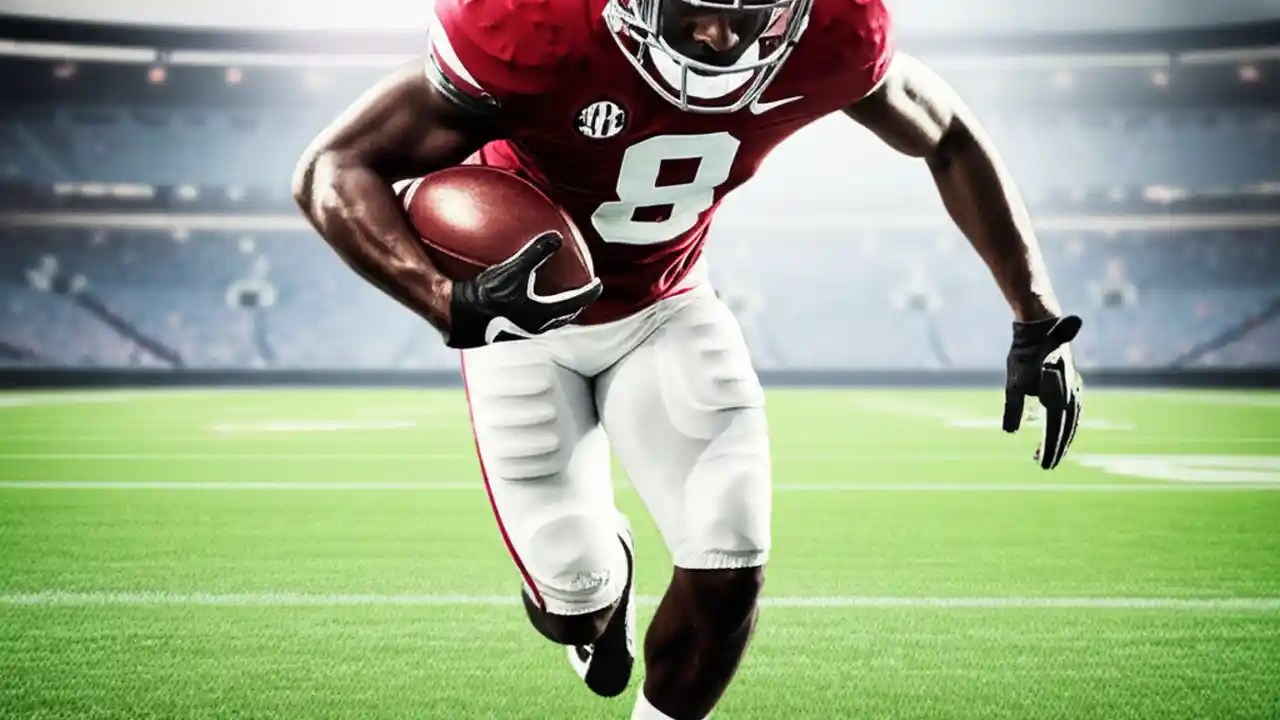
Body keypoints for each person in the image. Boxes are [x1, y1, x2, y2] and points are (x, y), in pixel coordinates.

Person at [292, 0, 1084, 716]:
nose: (718, 36)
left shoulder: (832, 32)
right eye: (696, 12)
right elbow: (334, 166)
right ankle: (601, 590)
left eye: (747, 17)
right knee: (575, 601)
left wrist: (1035, 316)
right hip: (521, 325)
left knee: (730, 558)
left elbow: (946, 134)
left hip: (666, 306)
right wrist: (448, 301)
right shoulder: (534, 25)